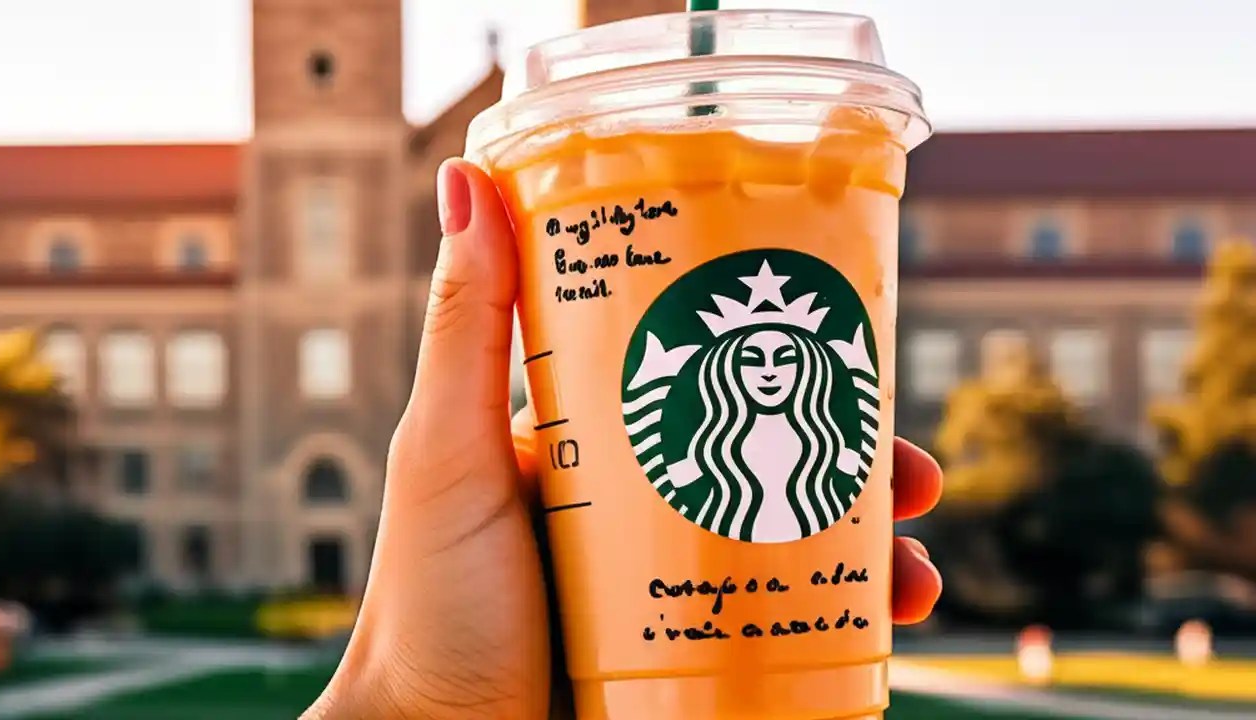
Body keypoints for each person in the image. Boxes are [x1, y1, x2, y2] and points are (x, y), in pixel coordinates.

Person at [302, 160, 944, 720]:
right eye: (752, 359)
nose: (771, 373)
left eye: (788, 357)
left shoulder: (819, 456)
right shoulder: (703, 466)